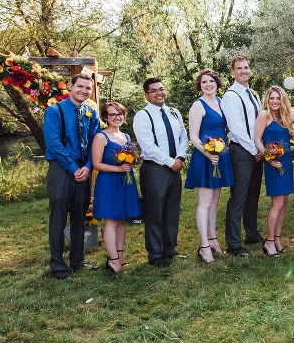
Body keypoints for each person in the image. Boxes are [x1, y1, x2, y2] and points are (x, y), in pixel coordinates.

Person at [43, 72, 101, 279]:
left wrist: (87, 166)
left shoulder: (91, 113)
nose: (84, 91)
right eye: (81, 86)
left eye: (88, 88)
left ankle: (78, 260)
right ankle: (58, 265)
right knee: (58, 217)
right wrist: (72, 167)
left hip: (83, 170)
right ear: (71, 86)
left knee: (80, 215)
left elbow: (95, 141)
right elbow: (53, 144)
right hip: (61, 168)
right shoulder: (54, 111)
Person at [133, 78, 189, 267]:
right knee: (155, 212)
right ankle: (155, 254)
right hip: (155, 169)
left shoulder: (174, 112)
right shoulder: (143, 115)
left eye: (162, 89)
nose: (159, 93)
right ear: (146, 94)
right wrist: (169, 162)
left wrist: (180, 158)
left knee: (172, 211)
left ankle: (169, 249)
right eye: (154, 90)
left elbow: (183, 137)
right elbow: (147, 146)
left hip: (175, 167)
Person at [184, 69, 234, 263]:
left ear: (216, 83)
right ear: (200, 85)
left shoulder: (221, 102)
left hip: (220, 156)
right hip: (205, 157)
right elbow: (193, 136)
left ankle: (213, 240)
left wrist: (217, 152)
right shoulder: (198, 105)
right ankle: (204, 246)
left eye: (211, 81)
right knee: (204, 202)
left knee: (214, 201)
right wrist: (207, 152)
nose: (208, 85)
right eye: (204, 82)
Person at [222, 54, 264, 257]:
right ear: (233, 71)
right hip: (241, 151)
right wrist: (254, 149)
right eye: (239, 68)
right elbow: (237, 128)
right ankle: (233, 243)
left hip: (255, 150)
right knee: (238, 197)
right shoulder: (231, 95)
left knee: (253, 194)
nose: (244, 71)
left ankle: (252, 233)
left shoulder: (253, 93)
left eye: (246, 67)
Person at [91, 101, 141, 273]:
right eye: (113, 114)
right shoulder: (101, 137)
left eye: (120, 113)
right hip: (109, 181)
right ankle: (112, 260)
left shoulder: (126, 137)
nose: (117, 117)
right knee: (111, 220)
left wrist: (133, 159)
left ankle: (121, 257)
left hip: (125, 181)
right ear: (106, 117)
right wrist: (118, 168)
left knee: (122, 220)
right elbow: (96, 164)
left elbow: (130, 157)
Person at [254, 86, 294, 258]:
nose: (275, 101)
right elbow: (257, 139)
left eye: (278, 98)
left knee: (284, 202)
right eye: (272, 98)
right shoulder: (265, 115)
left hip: (285, 162)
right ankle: (269, 242)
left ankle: (277, 238)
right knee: (277, 203)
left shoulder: (283, 117)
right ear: (267, 100)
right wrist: (268, 158)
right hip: (273, 163)